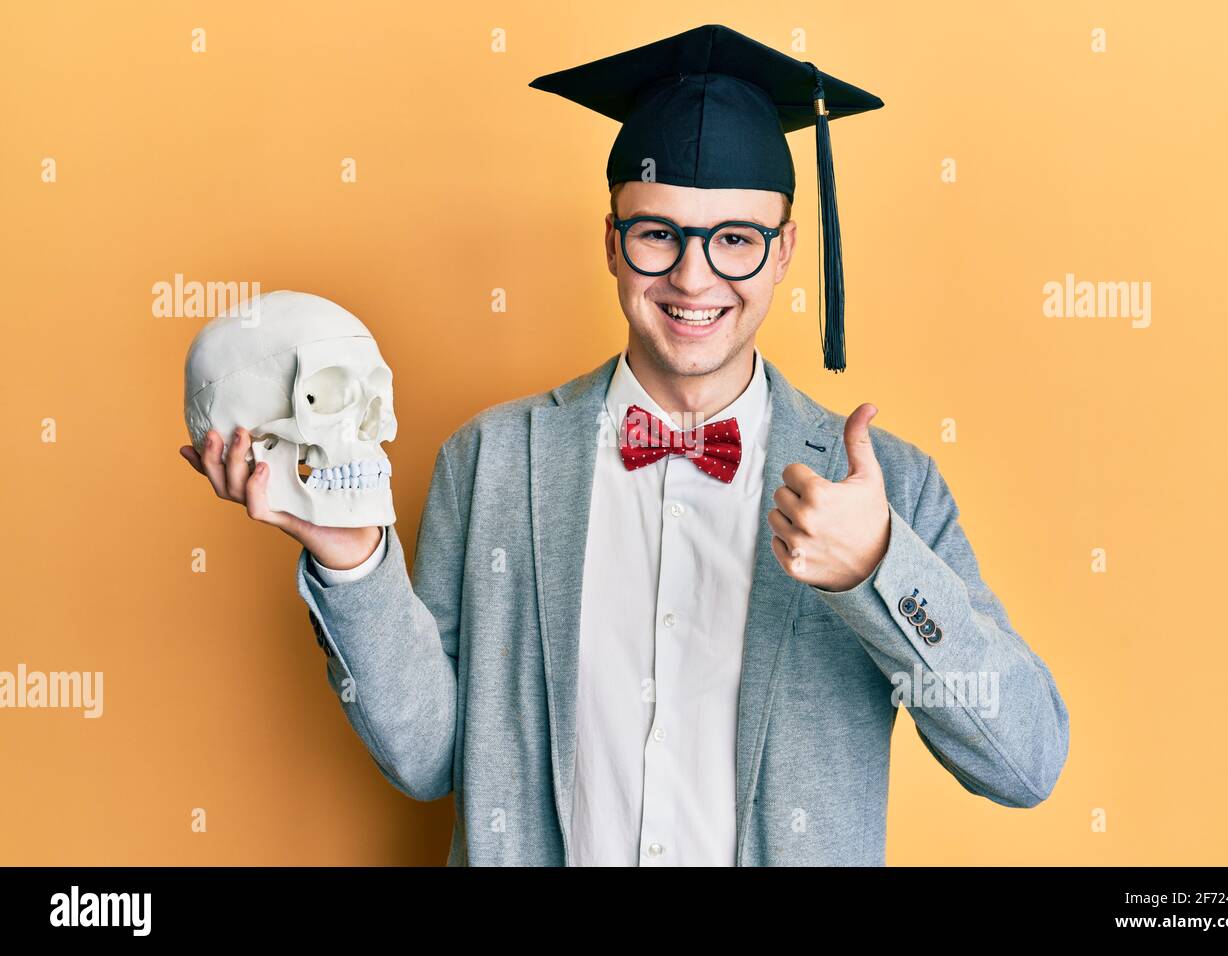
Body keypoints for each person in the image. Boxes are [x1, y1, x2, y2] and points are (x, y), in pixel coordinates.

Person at [179, 24, 1069, 866]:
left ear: (786, 250)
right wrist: (352, 559)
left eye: (735, 240)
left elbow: (1026, 763)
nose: (693, 277)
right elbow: (428, 759)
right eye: (657, 235)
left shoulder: (886, 486)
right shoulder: (491, 461)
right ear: (612, 242)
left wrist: (880, 565)